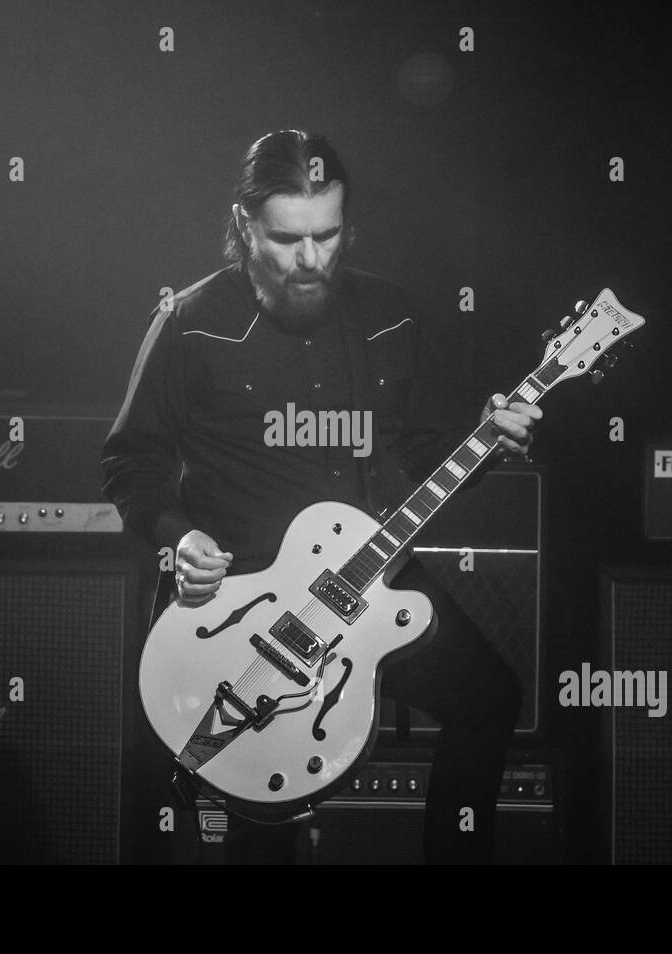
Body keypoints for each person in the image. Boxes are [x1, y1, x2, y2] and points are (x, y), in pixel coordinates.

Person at [102, 129, 539, 863]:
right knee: (254, 817)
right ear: (244, 227)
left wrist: (492, 439)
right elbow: (130, 458)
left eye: (327, 235)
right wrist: (178, 537)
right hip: (243, 610)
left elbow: (421, 454)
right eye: (286, 238)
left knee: (488, 698)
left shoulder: (392, 316)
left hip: (366, 579)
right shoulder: (188, 322)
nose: (310, 259)